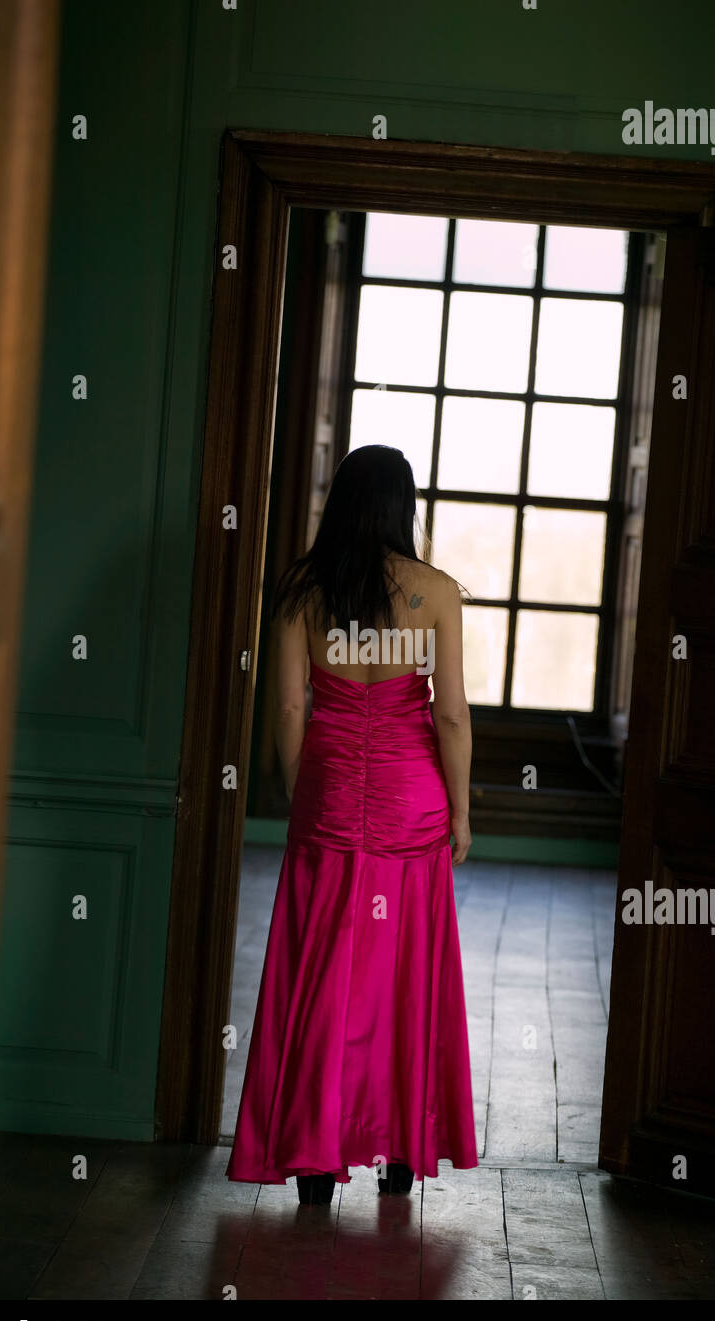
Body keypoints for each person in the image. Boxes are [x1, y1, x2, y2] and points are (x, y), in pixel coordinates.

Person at [224, 443, 479, 1204]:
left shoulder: (303, 589)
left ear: (339, 504)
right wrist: (462, 811)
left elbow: (290, 708)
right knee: (406, 972)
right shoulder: (434, 593)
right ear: (404, 509)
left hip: (331, 792)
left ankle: (311, 1163)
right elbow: (453, 713)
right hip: (410, 797)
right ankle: (402, 1153)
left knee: (323, 971)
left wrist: (305, 787)